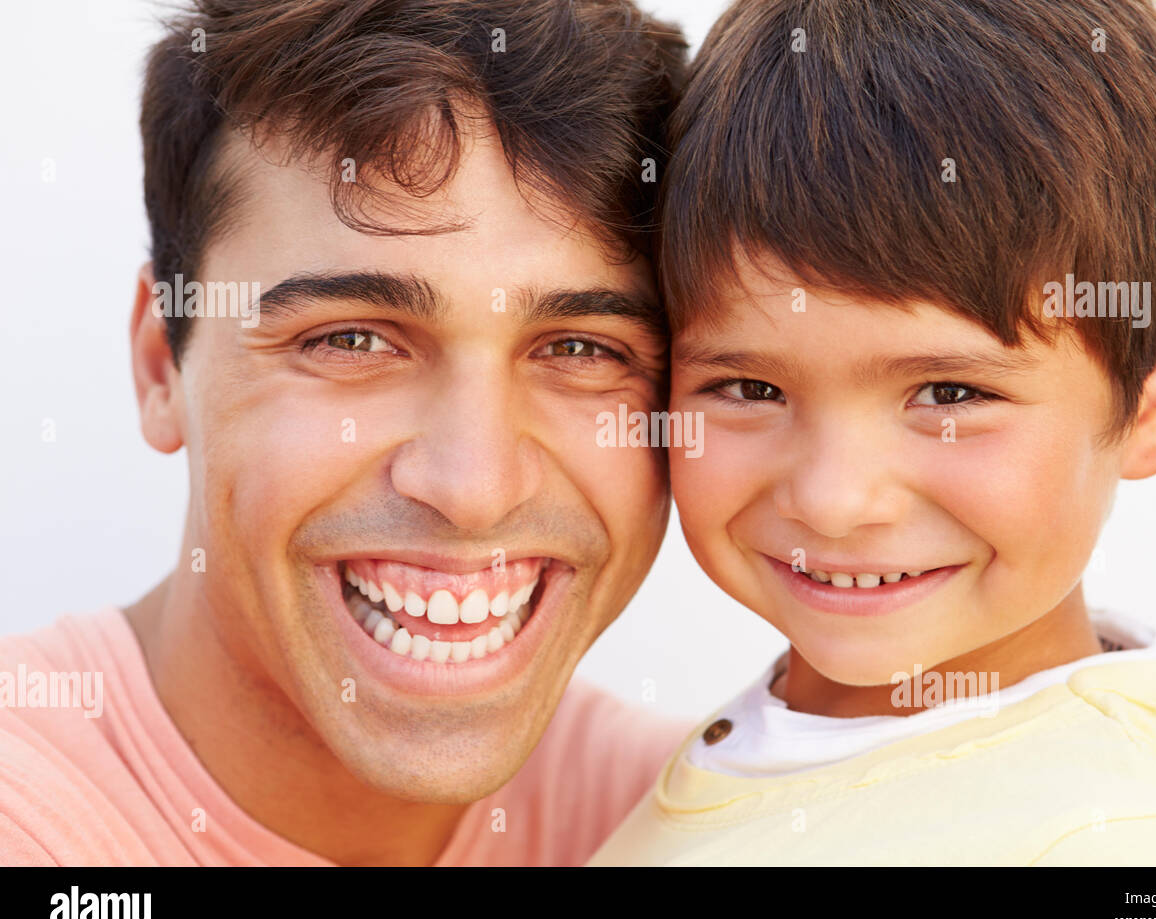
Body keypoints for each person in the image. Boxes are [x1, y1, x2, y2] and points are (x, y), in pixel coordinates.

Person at [0, 0, 692, 866]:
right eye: (350, 340)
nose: (473, 488)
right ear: (157, 363)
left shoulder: (718, 820)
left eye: (582, 349)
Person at [590, 0, 1156, 865]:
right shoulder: (740, 749)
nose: (834, 500)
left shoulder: (1105, 842)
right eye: (751, 387)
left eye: (950, 392)